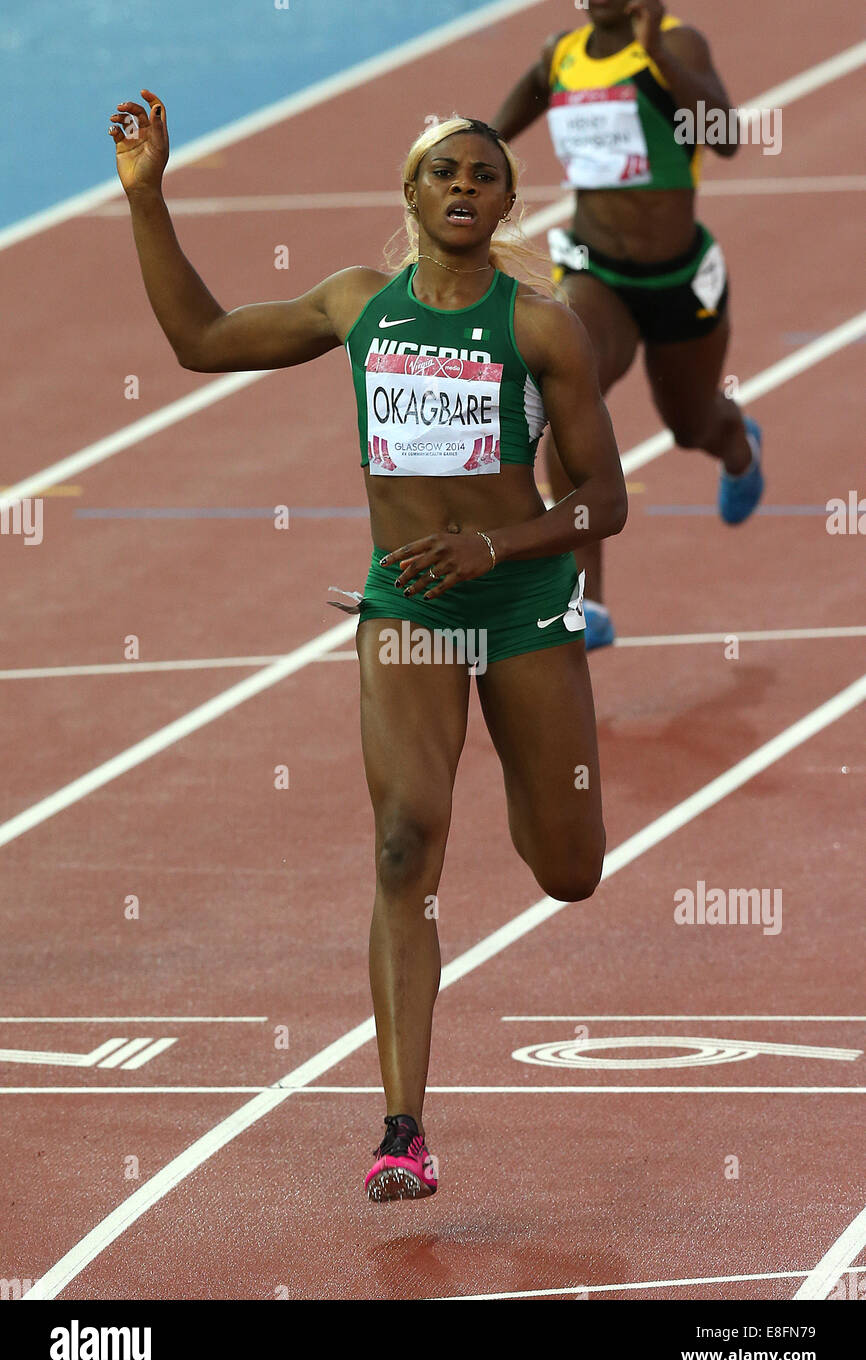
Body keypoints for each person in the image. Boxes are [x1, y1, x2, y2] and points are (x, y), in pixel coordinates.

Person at [109, 95, 626, 1199]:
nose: (462, 188)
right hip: (407, 608)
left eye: (482, 176)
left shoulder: (538, 326)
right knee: (401, 843)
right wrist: (149, 199)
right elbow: (200, 342)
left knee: (569, 871)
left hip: (522, 598)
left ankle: (529, 785)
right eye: (443, 172)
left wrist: (495, 544)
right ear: (410, 193)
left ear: (502, 203)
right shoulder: (357, 306)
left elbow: (605, 502)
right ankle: (401, 1128)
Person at [493, 0, 764, 649]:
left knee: (690, 422)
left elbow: (724, 137)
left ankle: (736, 443)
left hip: (678, 277)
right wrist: (477, 144)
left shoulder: (678, 45)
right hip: (595, 270)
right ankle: (589, 600)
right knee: (566, 398)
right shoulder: (561, 54)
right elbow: (507, 117)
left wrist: (662, 58)